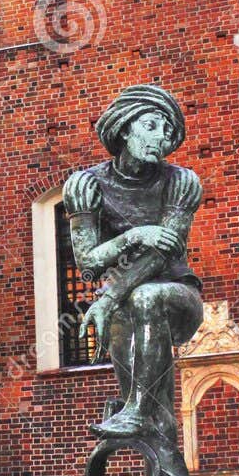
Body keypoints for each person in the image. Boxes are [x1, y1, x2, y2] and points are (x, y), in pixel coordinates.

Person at [62, 84, 204, 445]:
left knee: (147, 297)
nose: (161, 138)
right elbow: (89, 264)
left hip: (177, 297)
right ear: (125, 128)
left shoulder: (181, 182)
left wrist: (108, 299)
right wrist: (135, 234)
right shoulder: (86, 185)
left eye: (168, 131)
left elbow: (165, 253)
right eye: (152, 126)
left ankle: (137, 411)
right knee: (160, 419)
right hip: (123, 309)